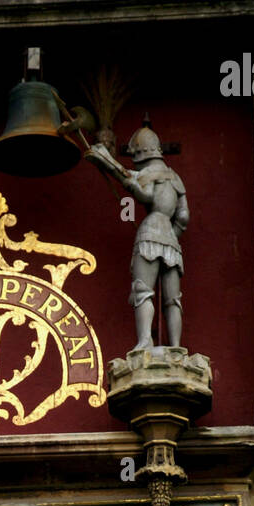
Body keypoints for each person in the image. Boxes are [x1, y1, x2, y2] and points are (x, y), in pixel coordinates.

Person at [87, 120, 189, 351]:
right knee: (173, 300)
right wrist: (170, 235)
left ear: (139, 153)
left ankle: (145, 341)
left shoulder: (149, 173)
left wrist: (120, 176)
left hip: (150, 231)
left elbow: (144, 194)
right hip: (171, 241)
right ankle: (176, 347)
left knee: (143, 291)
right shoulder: (176, 178)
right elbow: (183, 216)